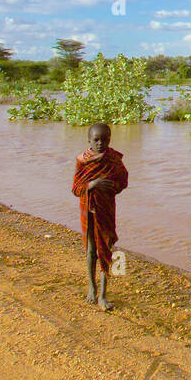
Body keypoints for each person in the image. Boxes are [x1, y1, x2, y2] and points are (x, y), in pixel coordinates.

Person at [70, 123, 128, 311]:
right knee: (91, 250)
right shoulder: (83, 161)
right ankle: (91, 287)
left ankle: (103, 295)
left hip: (106, 209)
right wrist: (93, 184)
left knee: (106, 248)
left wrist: (113, 187)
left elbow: (123, 180)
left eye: (104, 139)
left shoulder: (113, 159)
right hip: (88, 210)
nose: (100, 143)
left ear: (110, 139)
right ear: (89, 140)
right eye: (96, 140)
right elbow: (76, 189)